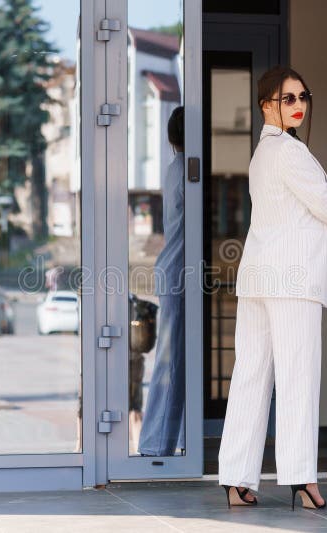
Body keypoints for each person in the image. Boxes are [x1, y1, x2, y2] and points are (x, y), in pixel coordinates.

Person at [217, 66, 327, 510]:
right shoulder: (289, 153)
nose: (297, 106)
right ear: (265, 106)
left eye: (301, 97)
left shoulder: (262, 154)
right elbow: (325, 204)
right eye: (286, 99)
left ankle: (236, 479)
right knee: (297, 378)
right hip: (291, 281)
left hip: (260, 277)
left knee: (251, 375)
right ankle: (300, 479)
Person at [138, 106, 186, 456]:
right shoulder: (187, 171)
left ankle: (171, 441)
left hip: (173, 269)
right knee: (170, 360)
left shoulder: (175, 168)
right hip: (180, 272)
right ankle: (156, 443)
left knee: (175, 359)